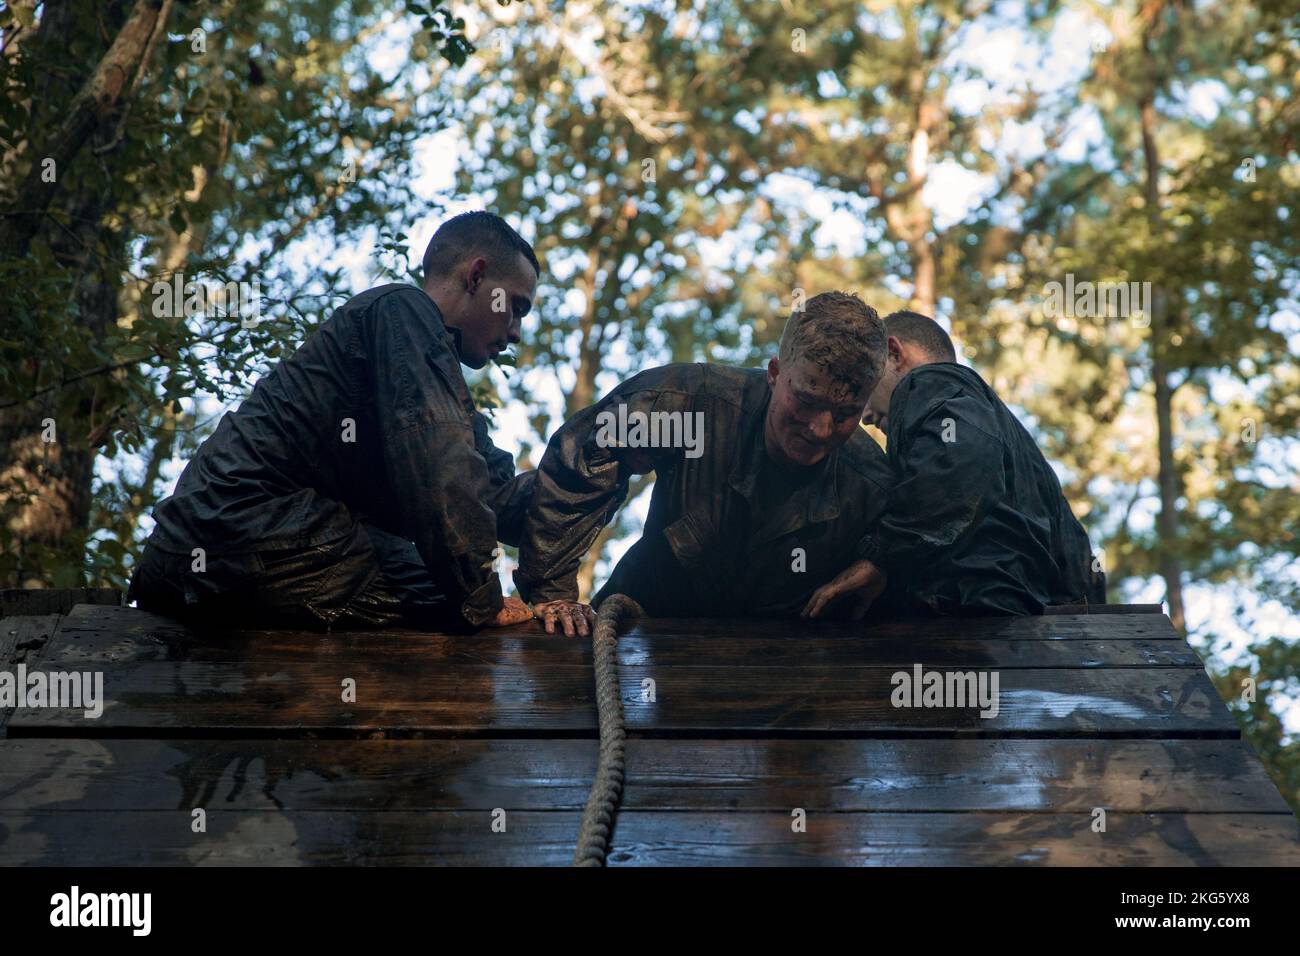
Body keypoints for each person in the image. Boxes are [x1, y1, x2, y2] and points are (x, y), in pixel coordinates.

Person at [129, 211, 558, 631]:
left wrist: (600, 458)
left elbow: (498, 495)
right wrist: (480, 599)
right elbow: (441, 468)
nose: (517, 331)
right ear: (476, 276)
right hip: (235, 528)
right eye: (515, 307)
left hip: (223, 546)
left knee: (458, 592)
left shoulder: (438, 390)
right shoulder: (402, 311)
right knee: (466, 605)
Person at [513, 291, 894, 635]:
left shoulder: (870, 486)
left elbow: (930, 542)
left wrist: (882, 561)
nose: (820, 429)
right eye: (807, 401)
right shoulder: (691, 408)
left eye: (844, 413)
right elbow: (585, 455)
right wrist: (552, 590)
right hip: (640, 632)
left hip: (776, 673)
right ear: (775, 374)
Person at [803, 309, 1105, 619]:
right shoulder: (1029, 460)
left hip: (971, 619)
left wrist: (879, 556)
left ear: (894, 354)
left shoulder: (931, 379)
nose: (864, 414)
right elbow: (1082, 577)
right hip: (1028, 638)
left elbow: (961, 463)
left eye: (866, 386)